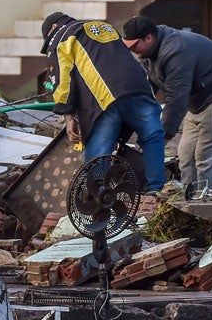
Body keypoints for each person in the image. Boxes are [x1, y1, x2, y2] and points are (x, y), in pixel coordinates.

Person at [121, 16, 212, 193]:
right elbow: (145, 91)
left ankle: (207, 210)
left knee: (207, 158)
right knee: (186, 156)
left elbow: (176, 98)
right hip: (198, 101)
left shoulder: (176, 50)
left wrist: (162, 136)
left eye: (134, 45)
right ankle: (189, 203)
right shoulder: (146, 53)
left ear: (149, 37)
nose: (132, 50)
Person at [41, 12, 168, 193]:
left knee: (99, 154)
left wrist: (69, 118)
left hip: (105, 99)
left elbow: (63, 81)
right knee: (152, 137)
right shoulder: (104, 27)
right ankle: (156, 190)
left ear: (53, 28)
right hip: (140, 90)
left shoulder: (61, 37)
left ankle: (95, 200)